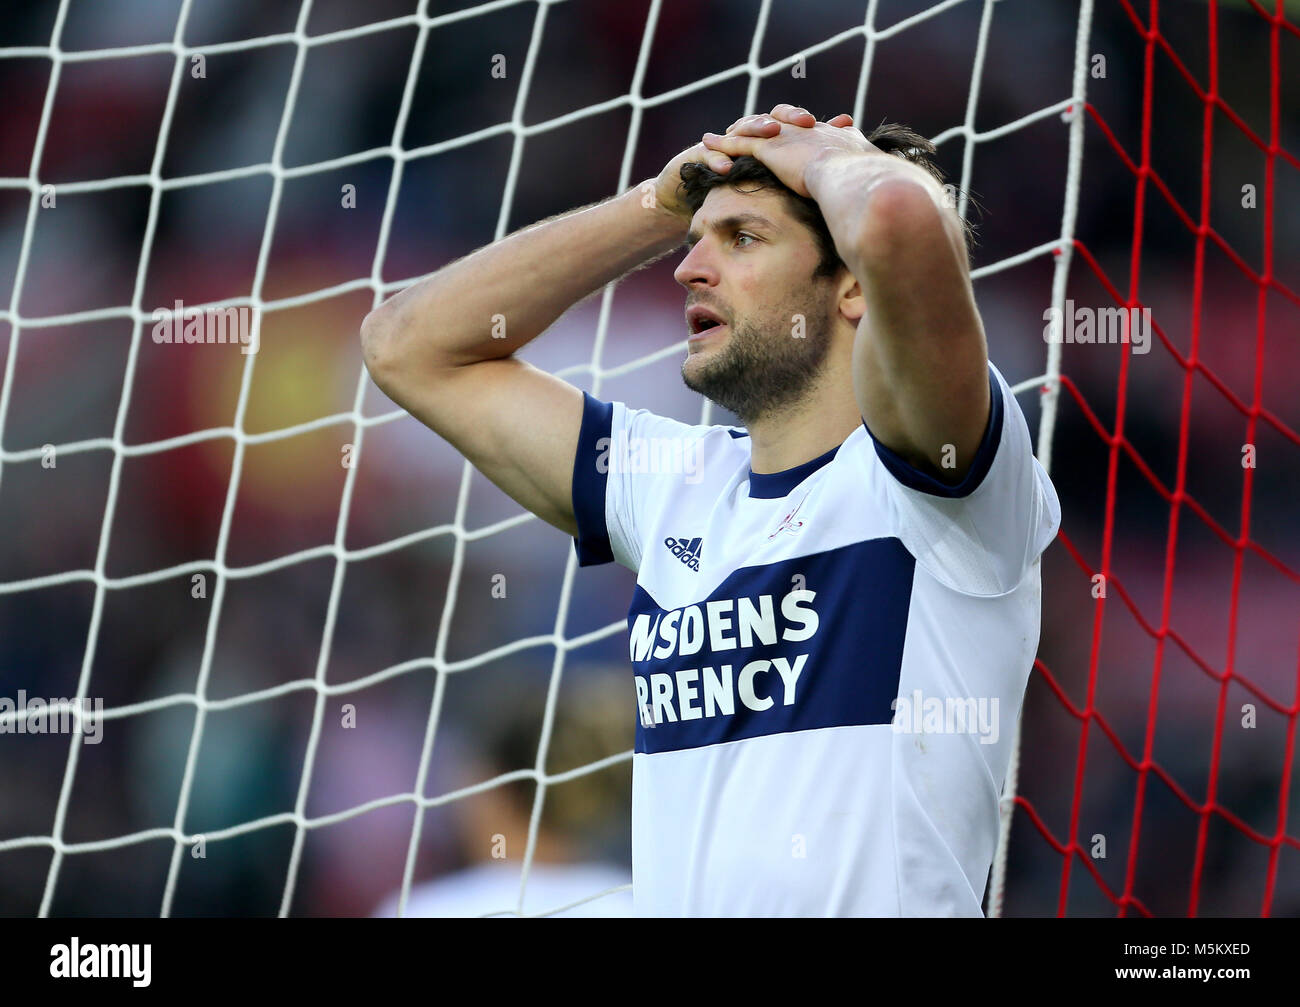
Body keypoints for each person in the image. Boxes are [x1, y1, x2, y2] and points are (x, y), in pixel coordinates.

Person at [360, 103, 1060, 916]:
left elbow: (902, 219)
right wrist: (659, 205)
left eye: (743, 239)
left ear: (854, 287)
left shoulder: (941, 486)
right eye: (699, 237)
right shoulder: (671, 485)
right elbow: (406, 345)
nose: (689, 267)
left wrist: (830, 157)